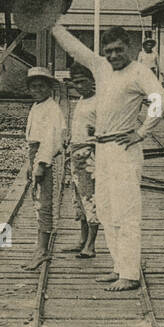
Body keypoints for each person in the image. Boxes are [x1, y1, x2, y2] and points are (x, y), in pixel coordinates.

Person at [50, 23, 164, 292]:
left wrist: (141, 132)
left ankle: (130, 273)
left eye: (118, 50)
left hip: (124, 149)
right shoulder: (101, 67)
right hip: (101, 148)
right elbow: (75, 48)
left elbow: (162, 99)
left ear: (130, 48)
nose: (113, 55)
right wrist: (53, 24)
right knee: (105, 209)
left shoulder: (139, 72)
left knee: (126, 212)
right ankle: (118, 266)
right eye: (109, 51)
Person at [21, 66, 64, 271]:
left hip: (44, 156)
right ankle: (40, 247)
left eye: (41, 86)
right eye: (33, 87)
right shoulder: (37, 106)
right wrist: (30, 163)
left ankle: (42, 250)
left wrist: (40, 163)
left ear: (49, 88)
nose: (37, 90)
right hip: (35, 153)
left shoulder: (52, 109)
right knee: (37, 202)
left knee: (44, 203)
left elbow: (51, 139)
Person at [65, 63, 99, 258]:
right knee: (78, 199)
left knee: (90, 198)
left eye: (82, 81)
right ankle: (82, 239)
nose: (79, 86)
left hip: (90, 155)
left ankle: (91, 245)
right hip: (75, 153)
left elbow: (102, 129)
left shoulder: (99, 101)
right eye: (75, 82)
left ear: (92, 81)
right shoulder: (81, 100)